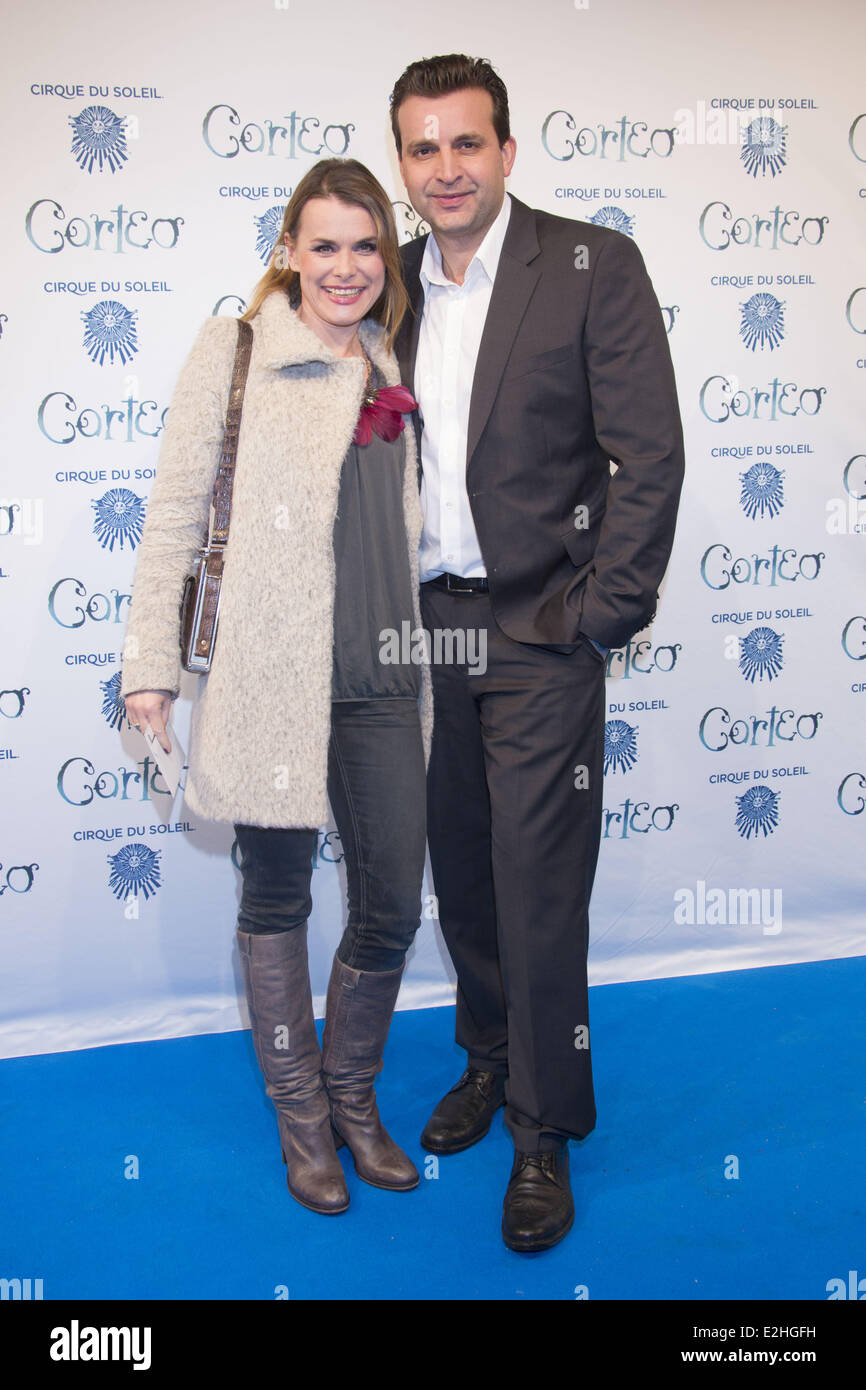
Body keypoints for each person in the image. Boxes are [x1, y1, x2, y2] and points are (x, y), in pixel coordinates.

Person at [389, 55, 685, 1251]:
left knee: (537, 883)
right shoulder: (388, 283)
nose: (444, 168)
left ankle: (542, 1125)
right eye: (421, 147)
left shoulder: (586, 264)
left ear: (507, 152)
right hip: (425, 627)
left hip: (540, 629)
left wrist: (596, 617)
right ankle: (487, 1057)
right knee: (462, 867)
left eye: (466, 143)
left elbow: (645, 457)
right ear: (401, 165)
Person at [121, 158, 432, 1216]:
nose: (344, 268)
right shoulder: (239, 350)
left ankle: (353, 1094)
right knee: (276, 897)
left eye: (363, 245)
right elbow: (171, 517)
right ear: (288, 252)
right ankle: (301, 1116)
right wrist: (150, 669)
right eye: (323, 244)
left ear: (383, 257)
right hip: (271, 678)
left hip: (388, 672)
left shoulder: (393, 357)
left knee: (391, 900)